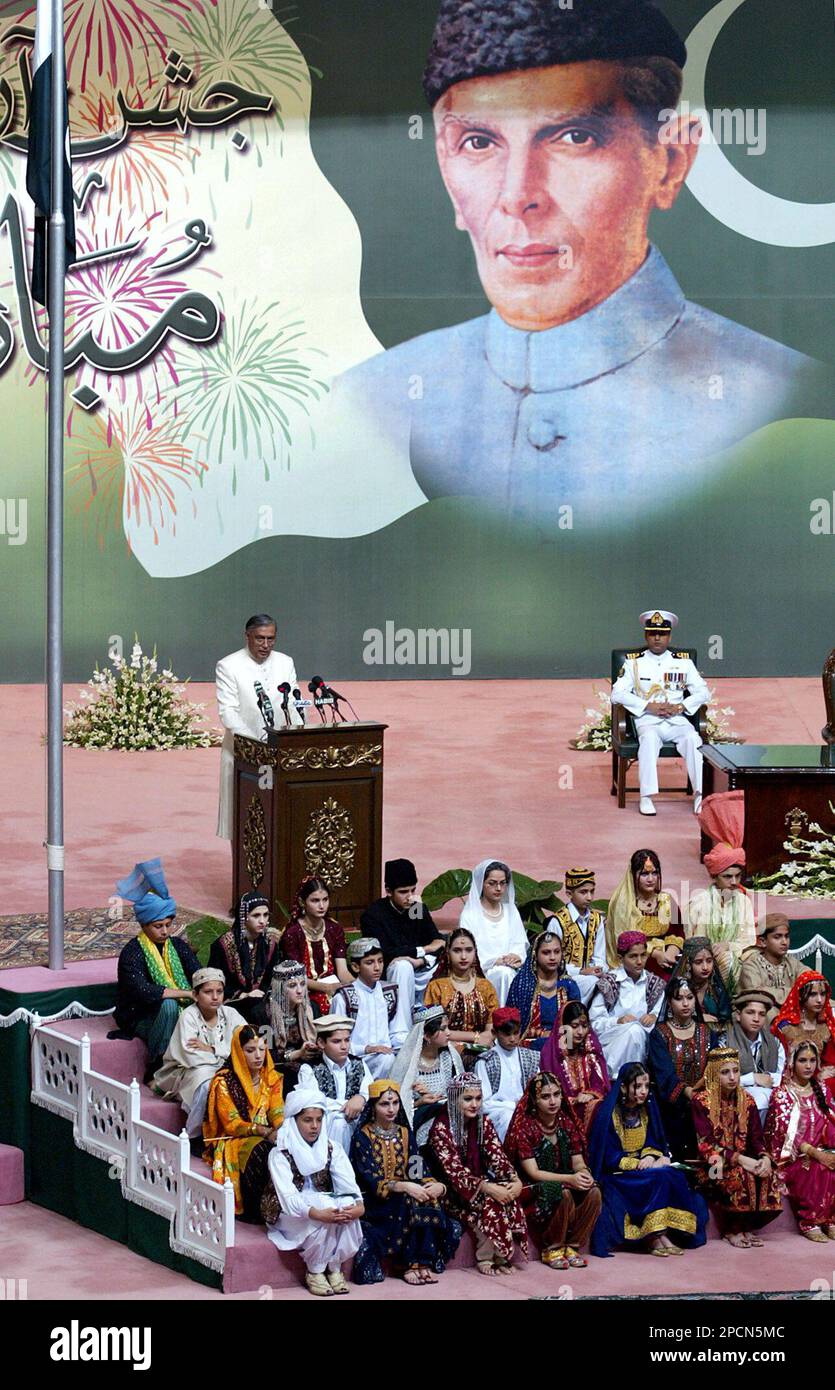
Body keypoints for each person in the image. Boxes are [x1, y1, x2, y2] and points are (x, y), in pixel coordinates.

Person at [333, 0, 829, 524]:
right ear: (445, 169)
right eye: (479, 143)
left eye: (575, 137)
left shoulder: (793, 405)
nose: (517, 194)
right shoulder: (361, 405)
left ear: (669, 163)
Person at [588, 1062, 708, 1258]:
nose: (643, 1092)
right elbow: (608, 1157)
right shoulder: (610, 1114)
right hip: (619, 1174)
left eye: (646, 1086)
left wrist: (650, 1156)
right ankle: (653, 1236)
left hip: (646, 1167)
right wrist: (637, 1164)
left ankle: (663, 1234)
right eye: (637, 1086)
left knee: (672, 1174)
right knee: (657, 1177)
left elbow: (654, 1141)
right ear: (624, 1087)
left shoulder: (647, 1109)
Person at [350, 1079, 461, 1286]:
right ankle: (407, 1264)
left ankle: (423, 1261)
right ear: (373, 1106)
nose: (391, 1109)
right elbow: (370, 1180)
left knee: (428, 1199)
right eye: (384, 1104)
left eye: (395, 1103)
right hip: (377, 1201)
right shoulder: (362, 1136)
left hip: (406, 1194)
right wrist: (402, 1186)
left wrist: (435, 1185)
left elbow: (417, 1169)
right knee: (408, 1201)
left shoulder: (404, 1133)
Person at [265, 1087, 365, 1296]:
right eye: (307, 1120)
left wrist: (358, 1207)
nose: (314, 1126)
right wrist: (317, 1213)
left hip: (323, 1205)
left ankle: (335, 1267)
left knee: (344, 1204)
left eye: (319, 1120)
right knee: (326, 1207)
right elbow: (289, 1198)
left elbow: (349, 1186)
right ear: (294, 1121)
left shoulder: (332, 1148)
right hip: (288, 1213)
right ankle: (316, 1270)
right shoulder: (280, 1152)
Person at [428, 1073, 528, 1276]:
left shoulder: (483, 1123)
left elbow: (497, 1156)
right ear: (454, 1099)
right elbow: (454, 1173)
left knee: (506, 1196)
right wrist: (488, 1187)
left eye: (478, 1098)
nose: (474, 1104)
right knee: (490, 1202)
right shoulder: (441, 1127)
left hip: (478, 1183)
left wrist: (514, 1181)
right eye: (467, 1099)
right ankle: (486, 1256)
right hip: (451, 1192)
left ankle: (501, 1255)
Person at [611, 611, 709, 817]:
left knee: (693, 738)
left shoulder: (683, 663)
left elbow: (703, 692)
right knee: (648, 740)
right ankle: (646, 797)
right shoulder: (633, 663)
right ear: (646, 636)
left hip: (676, 719)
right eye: (653, 633)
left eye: (662, 634)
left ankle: (700, 794)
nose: (657, 638)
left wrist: (681, 707)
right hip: (648, 720)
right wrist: (647, 706)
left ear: (669, 637)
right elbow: (616, 694)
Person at [215, 613, 300, 841]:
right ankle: (242, 876)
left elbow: (291, 703)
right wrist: (257, 744)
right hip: (243, 755)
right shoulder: (228, 665)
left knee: (279, 818)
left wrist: (298, 735)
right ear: (247, 636)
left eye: (271, 639)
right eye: (260, 638)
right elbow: (228, 712)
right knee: (243, 820)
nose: (265, 645)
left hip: (281, 754)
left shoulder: (285, 662)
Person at [505, 1072, 601, 1270]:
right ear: (534, 1100)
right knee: (562, 1192)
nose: (553, 1101)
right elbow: (533, 1172)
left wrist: (583, 1173)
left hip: (566, 1180)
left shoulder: (566, 1123)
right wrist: (570, 1179)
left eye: (557, 1095)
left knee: (594, 1191)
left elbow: (578, 1162)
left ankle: (573, 1246)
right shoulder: (525, 1126)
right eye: (545, 1097)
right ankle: (553, 1248)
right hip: (533, 1187)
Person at [113, 859, 199, 1075]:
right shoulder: (132, 952)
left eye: (168, 925)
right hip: (141, 1015)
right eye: (158, 926)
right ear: (144, 925)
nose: (165, 931)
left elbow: (197, 972)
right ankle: (159, 1064)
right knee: (169, 1006)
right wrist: (188, 993)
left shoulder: (178, 946)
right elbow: (144, 991)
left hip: (176, 1010)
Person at [691, 1047, 781, 1248]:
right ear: (714, 1073)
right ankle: (731, 1230)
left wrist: (763, 1158)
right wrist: (740, 1159)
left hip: (741, 1160)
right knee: (737, 1175)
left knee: (768, 1172)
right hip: (711, 1166)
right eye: (725, 1072)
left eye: (736, 1071)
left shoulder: (747, 1099)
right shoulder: (701, 1101)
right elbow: (706, 1145)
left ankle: (745, 1225)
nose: (732, 1077)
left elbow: (757, 1138)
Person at [152, 968, 247, 1137]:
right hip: (187, 1070)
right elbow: (191, 1056)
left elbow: (246, 1042)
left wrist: (212, 1049)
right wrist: (227, 1055)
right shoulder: (189, 1017)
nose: (215, 997)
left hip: (223, 1067)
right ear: (195, 995)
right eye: (208, 992)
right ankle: (194, 1133)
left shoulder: (230, 1014)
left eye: (219, 991)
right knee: (206, 1084)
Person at [360, 859, 445, 1044]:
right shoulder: (374, 915)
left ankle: (436, 1027)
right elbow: (386, 953)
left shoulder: (415, 908)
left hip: (420, 967)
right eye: (403, 892)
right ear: (389, 891)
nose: (410, 897)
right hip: (391, 971)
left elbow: (437, 941)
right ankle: (401, 1033)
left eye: (413, 890)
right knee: (403, 966)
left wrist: (421, 958)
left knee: (448, 960)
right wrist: (422, 950)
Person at [203, 1024, 284, 1218]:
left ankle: (282, 1210)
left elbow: (277, 1111)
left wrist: (282, 1130)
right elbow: (232, 1125)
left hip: (267, 1133)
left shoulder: (271, 1079)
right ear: (239, 1052)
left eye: (262, 1049)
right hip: (233, 1138)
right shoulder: (224, 1082)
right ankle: (256, 1211)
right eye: (250, 1050)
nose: (258, 1056)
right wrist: (264, 1131)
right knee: (262, 1151)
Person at [764, 1041, 835, 1242]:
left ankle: (830, 1220)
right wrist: (816, 1153)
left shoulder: (821, 1088)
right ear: (792, 1063)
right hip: (792, 1157)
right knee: (816, 1168)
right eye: (802, 1060)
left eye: (812, 1060)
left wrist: (829, 1150)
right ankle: (810, 1221)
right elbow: (785, 1136)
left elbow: (831, 1123)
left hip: (822, 1150)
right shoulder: (782, 1094)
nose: (808, 1066)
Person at [647, 979, 714, 1162]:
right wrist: (688, 1092)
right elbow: (664, 1075)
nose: (685, 1004)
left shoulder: (707, 1032)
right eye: (679, 999)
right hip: (672, 1106)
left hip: (705, 1102)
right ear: (669, 1001)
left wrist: (701, 1093)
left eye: (690, 998)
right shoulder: (659, 1034)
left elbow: (715, 1068)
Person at [687, 821, 756, 993]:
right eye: (727, 877)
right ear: (715, 876)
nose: (734, 882)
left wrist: (728, 946)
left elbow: (749, 939)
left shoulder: (744, 901)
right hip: (702, 963)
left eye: (738, 876)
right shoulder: (698, 902)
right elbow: (690, 941)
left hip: (736, 960)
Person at [589, 931, 665, 1073]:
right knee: (633, 1031)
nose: (639, 961)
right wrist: (618, 1021)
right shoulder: (608, 984)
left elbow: (660, 1015)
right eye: (633, 956)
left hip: (646, 1043)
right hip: (612, 1041)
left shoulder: (654, 984)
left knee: (636, 1031)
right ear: (621, 958)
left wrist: (654, 1017)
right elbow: (595, 1023)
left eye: (643, 955)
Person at [391, 1005, 465, 1147]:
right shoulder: (407, 1063)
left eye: (447, 1028)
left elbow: (462, 1091)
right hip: (421, 1119)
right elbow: (395, 1105)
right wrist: (420, 1102)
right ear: (426, 1035)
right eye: (442, 1029)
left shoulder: (449, 1057)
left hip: (450, 1114)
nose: (449, 1033)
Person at [458, 859, 529, 1005]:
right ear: (481, 884)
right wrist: (494, 961)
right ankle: (504, 1021)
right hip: (482, 971)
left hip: (511, 968)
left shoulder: (511, 910)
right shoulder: (470, 914)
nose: (498, 888)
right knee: (503, 974)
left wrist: (515, 956)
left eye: (502, 883)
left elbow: (519, 942)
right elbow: (466, 949)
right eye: (492, 883)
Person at [298, 1017, 372, 1153]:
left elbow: (370, 1092)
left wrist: (360, 1099)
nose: (344, 1046)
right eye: (337, 1041)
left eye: (347, 1040)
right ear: (321, 1043)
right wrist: (348, 1105)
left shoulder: (359, 1064)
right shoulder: (309, 1068)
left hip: (357, 1119)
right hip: (326, 1123)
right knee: (340, 1122)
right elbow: (315, 1102)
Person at [208, 891, 280, 1029]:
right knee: (257, 1010)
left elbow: (271, 979)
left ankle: (270, 1047)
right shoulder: (223, 945)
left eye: (265, 915)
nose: (262, 921)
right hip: (233, 1000)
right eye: (256, 915)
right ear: (243, 917)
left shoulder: (270, 944)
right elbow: (215, 981)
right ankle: (266, 1047)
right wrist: (243, 994)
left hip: (261, 999)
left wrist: (263, 994)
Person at [280, 877, 351, 1015]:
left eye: (325, 899)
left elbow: (343, 972)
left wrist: (356, 985)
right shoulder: (292, 933)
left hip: (333, 988)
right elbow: (294, 976)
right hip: (303, 990)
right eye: (315, 900)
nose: (322, 906)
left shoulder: (334, 929)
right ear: (302, 902)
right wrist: (325, 987)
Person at [330, 937, 401, 1073]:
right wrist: (366, 1049)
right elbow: (335, 1040)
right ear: (356, 967)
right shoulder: (344, 997)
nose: (377, 967)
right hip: (354, 1058)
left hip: (386, 1055)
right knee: (386, 1059)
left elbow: (397, 1030)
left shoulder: (390, 992)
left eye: (380, 961)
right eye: (370, 963)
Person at [541, 1000, 610, 1137]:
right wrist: (573, 1100)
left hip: (591, 1104)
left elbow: (601, 1082)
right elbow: (548, 1089)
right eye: (574, 1026)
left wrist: (590, 1094)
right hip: (561, 1109)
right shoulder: (551, 1054)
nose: (580, 1032)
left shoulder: (590, 1052)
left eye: (584, 1026)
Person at [605, 848, 682, 972]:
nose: (651, 879)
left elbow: (677, 933)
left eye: (655, 873)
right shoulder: (624, 905)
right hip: (634, 962)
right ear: (633, 875)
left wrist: (670, 953)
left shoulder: (667, 901)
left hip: (666, 960)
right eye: (644, 874)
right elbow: (624, 941)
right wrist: (656, 954)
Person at [424, 927, 499, 1051]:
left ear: (475, 952)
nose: (463, 956)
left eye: (468, 950)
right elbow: (435, 1029)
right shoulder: (436, 987)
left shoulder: (486, 987)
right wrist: (475, 1036)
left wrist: (482, 1040)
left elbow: (491, 1030)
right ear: (448, 952)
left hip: (481, 1048)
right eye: (457, 951)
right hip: (445, 1048)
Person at [475, 1007, 541, 1143]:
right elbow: (483, 1103)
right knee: (508, 1118)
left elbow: (539, 1090)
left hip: (528, 1109)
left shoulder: (531, 1057)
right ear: (494, 1032)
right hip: (499, 1113)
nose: (512, 1039)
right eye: (507, 1034)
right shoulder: (485, 1061)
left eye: (516, 1033)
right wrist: (513, 1106)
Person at [508, 931, 580, 1051]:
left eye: (557, 952)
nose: (552, 957)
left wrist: (557, 1037)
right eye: (546, 953)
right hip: (528, 1047)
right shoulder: (522, 985)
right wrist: (542, 1034)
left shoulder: (569, 986)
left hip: (563, 1046)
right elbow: (512, 1026)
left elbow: (576, 1025)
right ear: (535, 955)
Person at [549, 869, 607, 1005]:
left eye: (592, 891)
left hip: (592, 975)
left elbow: (600, 956)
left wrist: (598, 968)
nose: (589, 897)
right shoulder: (557, 922)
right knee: (594, 982)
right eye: (583, 892)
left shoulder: (597, 920)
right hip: (566, 976)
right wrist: (581, 971)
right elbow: (553, 962)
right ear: (569, 894)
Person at [730, 990, 784, 1128]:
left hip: (770, 1094)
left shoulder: (775, 1043)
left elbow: (780, 1077)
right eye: (750, 1012)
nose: (756, 1019)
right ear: (738, 1016)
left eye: (762, 1014)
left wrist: (766, 1078)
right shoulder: (725, 1042)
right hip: (734, 1096)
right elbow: (721, 1080)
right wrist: (753, 1078)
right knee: (759, 1099)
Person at [738, 914, 805, 1020]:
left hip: (789, 1011)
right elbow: (758, 996)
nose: (784, 942)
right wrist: (796, 993)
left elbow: (810, 985)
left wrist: (768, 990)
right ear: (762, 941)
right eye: (777, 937)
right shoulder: (750, 966)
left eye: (786, 936)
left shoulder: (793, 963)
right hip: (757, 1018)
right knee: (769, 1012)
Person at [771, 971, 835, 1080]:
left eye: (823, 994)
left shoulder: (826, 1026)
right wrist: (816, 1076)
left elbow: (830, 1062)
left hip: (821, 1078)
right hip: (789, 1078)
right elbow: (778, 1064)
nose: (819, 1000)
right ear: (800, 996)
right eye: (813, 994)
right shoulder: (785, 1027)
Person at [268, 959, 320, 1092]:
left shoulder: (312, 1008)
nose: (299, 991)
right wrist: (297, 1054)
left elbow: (323, 1039)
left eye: (303, 984)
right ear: (279, 988)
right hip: (279, 1069)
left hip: (310, 1064)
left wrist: (315, 1048)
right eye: (292, 985)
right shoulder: (263, 1014)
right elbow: (266, 1054)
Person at [668, 937, 732, 1035]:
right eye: (698, 962)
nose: (705, 967)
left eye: (709, 961)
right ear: (688, 964)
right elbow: (670, 1016)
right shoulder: (680, 988)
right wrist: (698, 1017)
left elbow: (725, 1019)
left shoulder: (715, 987)